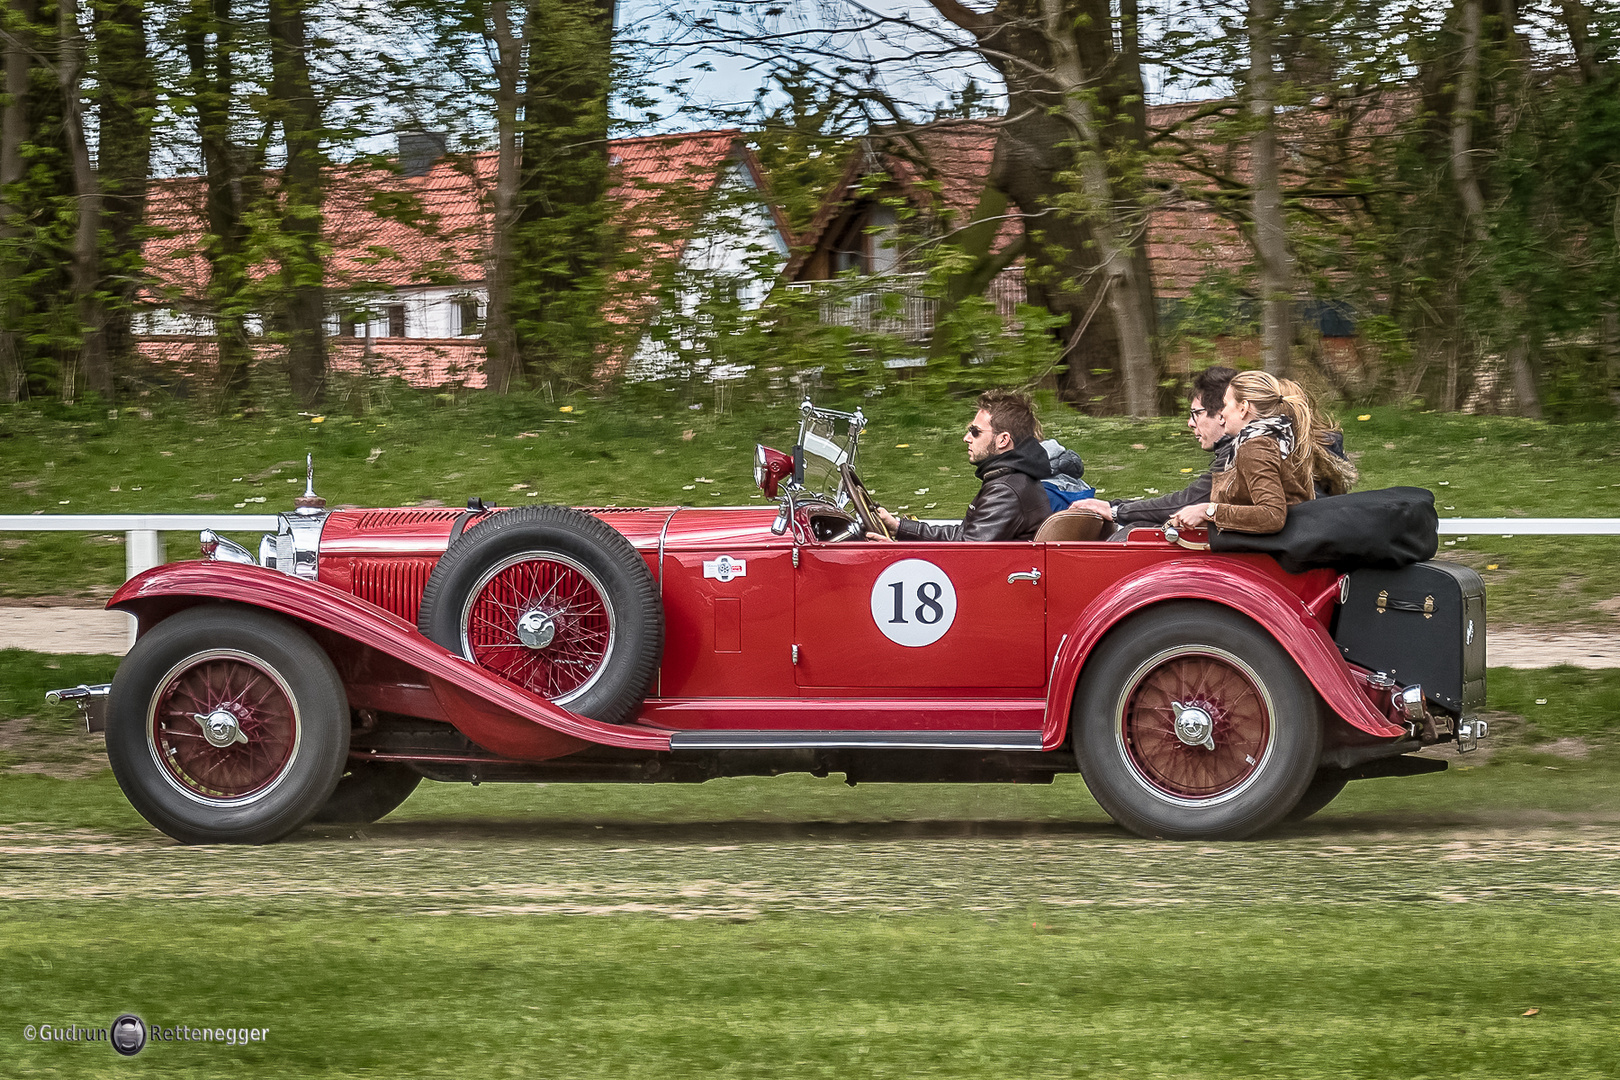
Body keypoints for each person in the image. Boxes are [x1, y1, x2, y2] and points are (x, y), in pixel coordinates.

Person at [1168, 370, 1344, 534]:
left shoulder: (1256, 448)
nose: (1221, 414)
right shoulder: (1278, 439)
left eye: (1225, 405)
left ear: (1243, 408)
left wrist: (1207, 511)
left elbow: (1272, 514)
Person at [1066, 366, 1239, 533]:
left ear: (1221, 413)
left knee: (1134, 534)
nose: (1190, 423)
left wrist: (1116, 511)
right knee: (1139, 527)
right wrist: (1118, 508)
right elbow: (1184, 502)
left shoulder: (1241, 450)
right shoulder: (1239, 447)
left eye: (1197, 413)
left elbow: (1187, 502)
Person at [873, 389, 1053, 542]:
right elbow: (964, 535)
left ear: (1003, 440)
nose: (966, 438)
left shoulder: (1006, 490)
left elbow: (966, 551)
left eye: (975, 432)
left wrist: (893, 551)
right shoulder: (1011, 479)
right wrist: (900, 528)